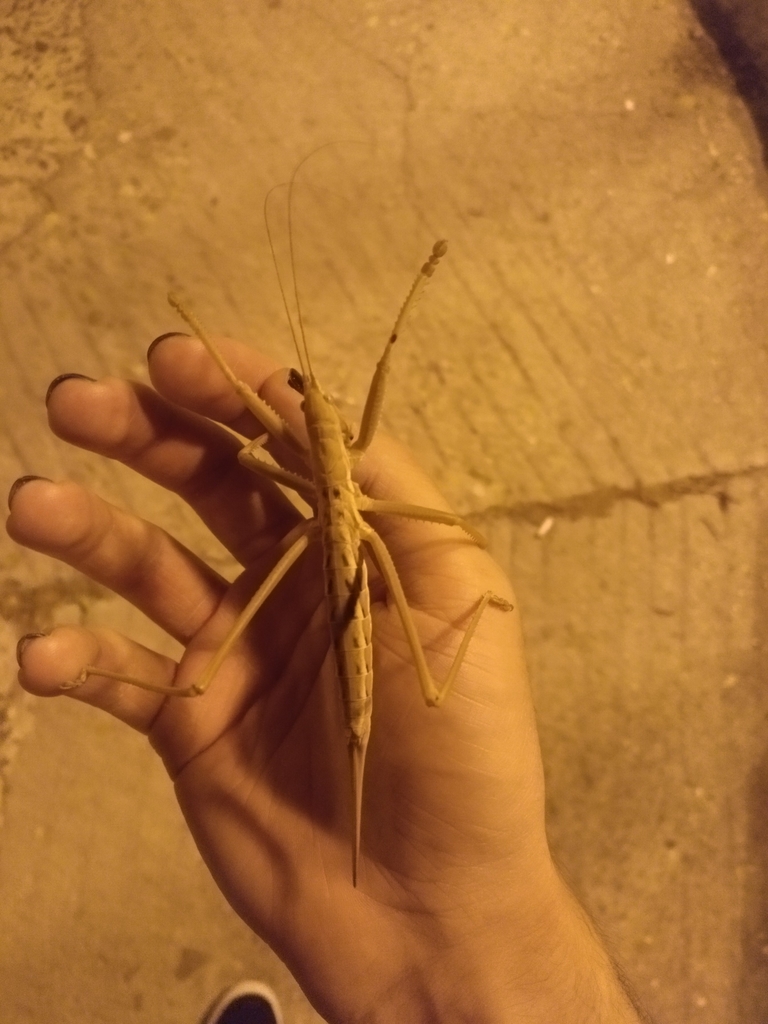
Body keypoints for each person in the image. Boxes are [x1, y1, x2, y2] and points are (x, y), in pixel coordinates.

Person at [7, 331, 651, 1023]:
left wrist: (472, 931)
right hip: (347, 539)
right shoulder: (341, 487)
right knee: (270, 648)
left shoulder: (333, 481)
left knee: (364, 677)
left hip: (348, 549)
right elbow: (255, 452)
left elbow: (257, 451)